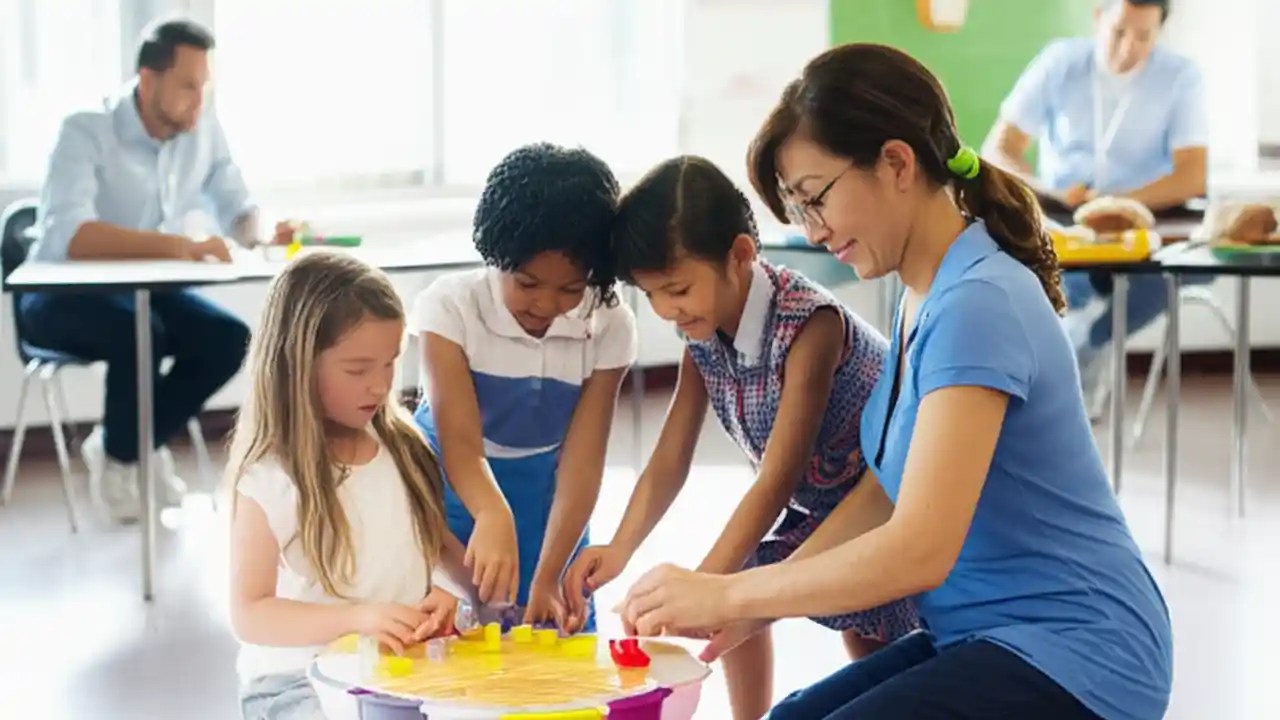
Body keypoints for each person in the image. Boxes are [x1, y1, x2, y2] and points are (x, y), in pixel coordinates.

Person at [617, 44, 1172, 720]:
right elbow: (882, 492)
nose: (814, 232)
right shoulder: (921, 297)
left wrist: (731, 594)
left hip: (1080, 652)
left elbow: (919, 550)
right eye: (797, 210)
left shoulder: (978, 301)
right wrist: (750, 610)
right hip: (988, 635)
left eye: (816, 199)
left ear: (897, 163)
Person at [562, 156, 918, 720]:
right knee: (749, 578)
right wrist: (621, 547)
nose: (666, 311)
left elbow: (776, 479)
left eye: (677, 289)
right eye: (651, 295)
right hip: (824, 507)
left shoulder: (811, 325)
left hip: (885, 503)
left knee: (880, 647)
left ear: (741, 255)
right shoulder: (699, 333)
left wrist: (705, 584)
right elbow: (670, 456)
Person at [18, 18, 294, 522]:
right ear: (148, 80)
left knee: (229, 338)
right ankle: (131, 455)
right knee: (140, 330)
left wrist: (266, 229)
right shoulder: (84, 129)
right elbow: (73, 236)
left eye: (203, 87)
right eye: (188, 85)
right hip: (57, 295)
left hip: (147, 291)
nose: (198, 99)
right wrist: (181, 247)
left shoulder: (203, 131)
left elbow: (238, 208)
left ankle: (124, 446)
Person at [229, 252, 469, 720]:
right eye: (358, 370)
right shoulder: (269, 477)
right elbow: (250, 612)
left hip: (395, 673)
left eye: (389, 364)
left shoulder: (403, 447)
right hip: (295, 680)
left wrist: (450, 594)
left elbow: (440, 551)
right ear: (297, 363)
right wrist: (357, 619)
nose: (380, 387)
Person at [412, 143, 636, 631]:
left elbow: (582, 460)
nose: (546, 304)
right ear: (496, 255)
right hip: (454, 496)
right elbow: (461, 445)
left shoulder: (609, 324)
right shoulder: (450, 309)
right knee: (458, 651)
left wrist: (551, 572)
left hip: (547, 503)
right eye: (527, 283)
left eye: (570, 289)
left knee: (553, 646)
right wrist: (491, 514)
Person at [982, 0, 1209, 403]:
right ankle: (1066, 359)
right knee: (1044, 272)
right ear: (1098, 17)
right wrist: (1045, 190)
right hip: (1062, 217)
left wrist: (1116, 203)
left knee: (1177, 272)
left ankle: (1090, 341)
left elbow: (1191, 175)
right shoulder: (1059, 63)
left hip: (1145, 221)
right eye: (1119, 32)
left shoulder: (1181, 77)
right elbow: (998, 150)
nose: (1128, 48)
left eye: (1143, 36)